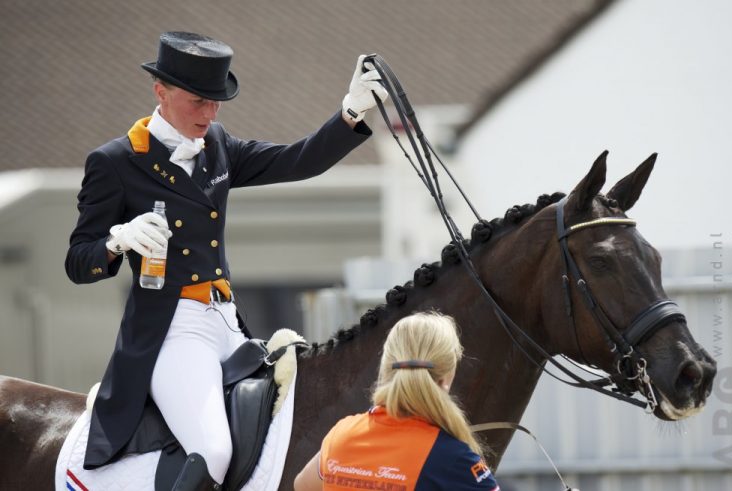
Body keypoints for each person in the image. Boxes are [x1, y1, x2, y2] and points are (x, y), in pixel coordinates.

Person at [65, 31, 387, 490]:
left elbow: (297, 161)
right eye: (199, 101)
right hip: (172, 331)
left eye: (217, 102)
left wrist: (351, 113)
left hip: (227, 324)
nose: (210, 113)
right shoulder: (116, 162)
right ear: (161, 91)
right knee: (214, 451)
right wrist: (118, 241)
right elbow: (78, 261)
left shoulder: (217, 144)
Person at [294, 312, 501, 491]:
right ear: (445, 380)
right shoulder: (454, 458)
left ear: (385, 369)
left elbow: (302, 485)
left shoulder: (342, 433)